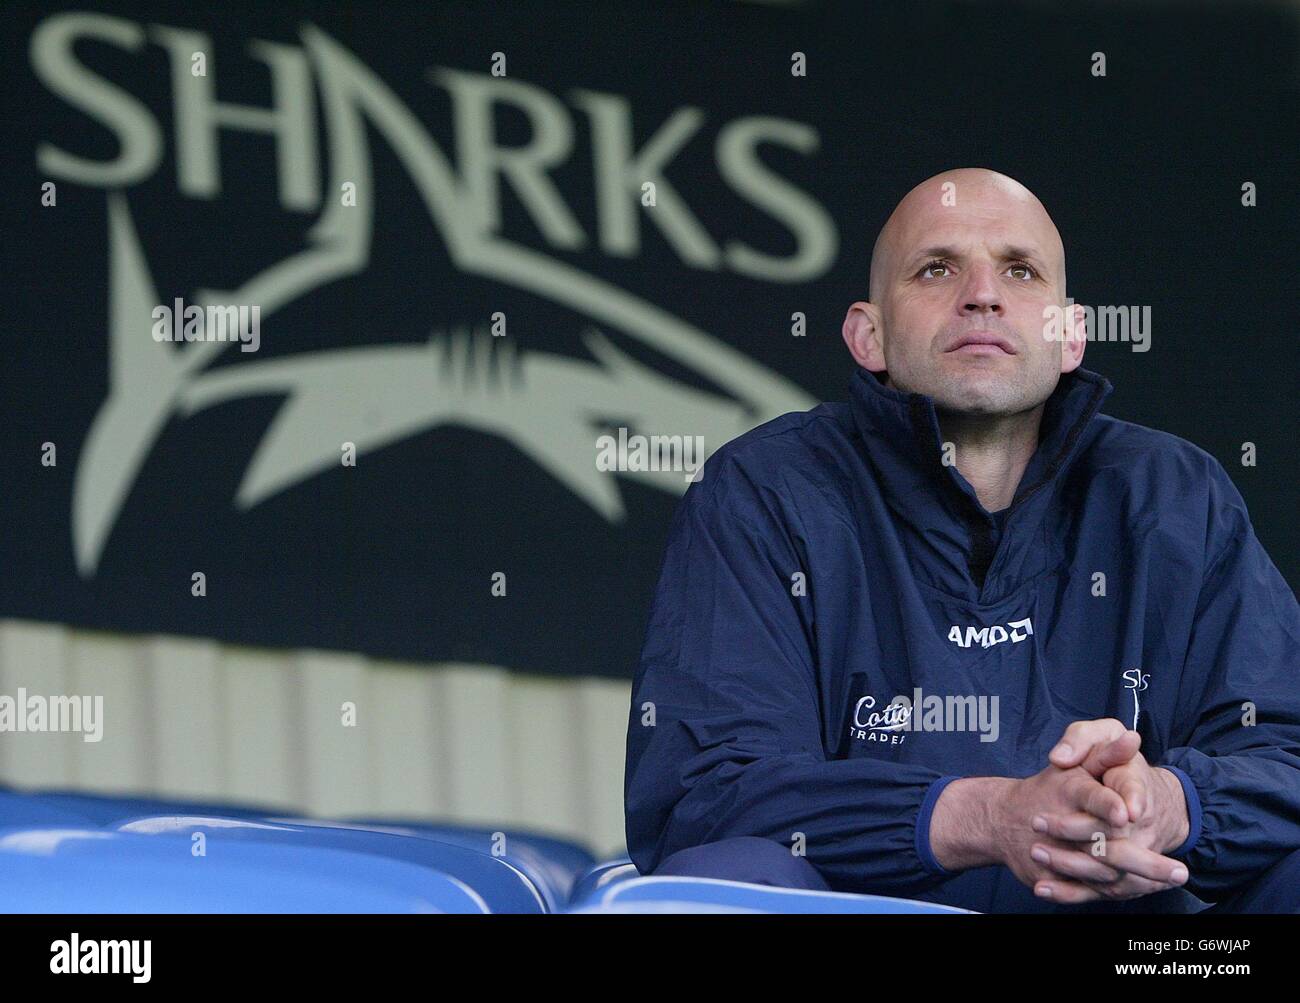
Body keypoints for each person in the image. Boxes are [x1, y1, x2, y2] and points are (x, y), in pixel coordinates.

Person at [623, 168, 1300, 913]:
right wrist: (990, 815)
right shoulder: (762, 490)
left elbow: (1283, 751)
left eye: (1020, 270)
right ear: (867, 334)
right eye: (937, 269)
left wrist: (1171, 802)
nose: (983, 293)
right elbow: (703, 793)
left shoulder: (1175, 496)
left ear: (1071, 333)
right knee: (735, 880)